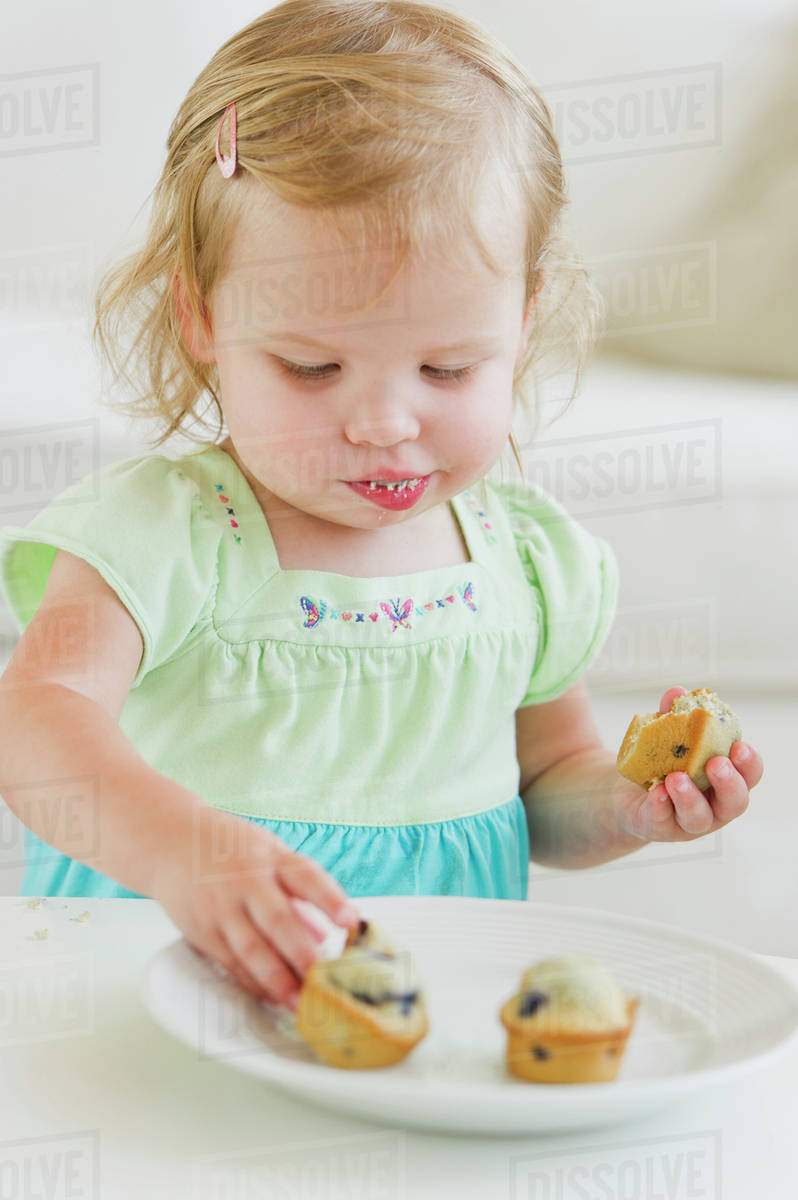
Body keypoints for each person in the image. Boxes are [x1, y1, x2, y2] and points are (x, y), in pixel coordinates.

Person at [0, 0, 761, 1013]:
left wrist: (629, 808)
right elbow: (33, 724)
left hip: (417, 1031)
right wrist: (181, 850)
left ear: (523, 322)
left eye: (448, 368)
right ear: (200, 315)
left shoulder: (525, 563)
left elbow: (546, 788)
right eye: (313, 368)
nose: (383, 424)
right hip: (144, 1004)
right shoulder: (163, 533)